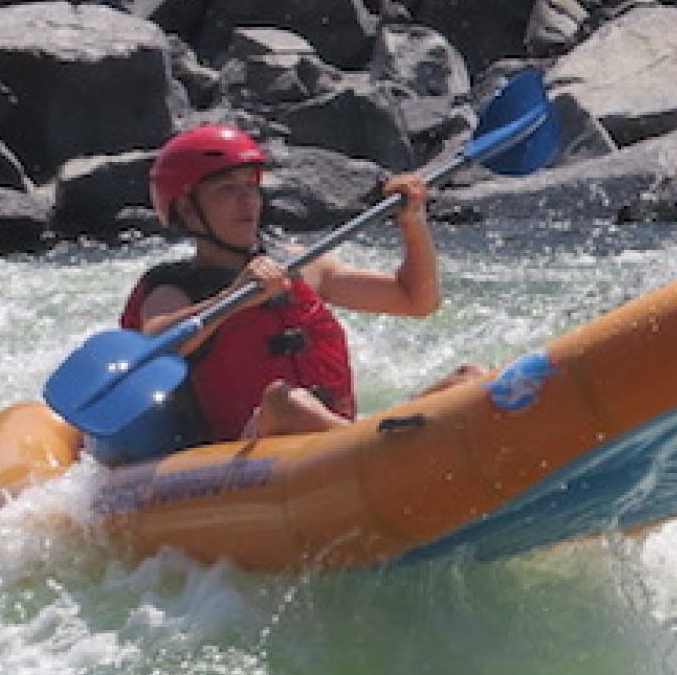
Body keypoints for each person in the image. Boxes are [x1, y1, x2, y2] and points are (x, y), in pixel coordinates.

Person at [124, 124, 467, 443]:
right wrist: (236, 296)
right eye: (228, 190)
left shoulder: (300, 264)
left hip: (333, 444)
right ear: (187, 209)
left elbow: (416, 300)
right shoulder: (171, 288)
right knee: (283, 402)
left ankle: (369, 446)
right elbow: (154, 347)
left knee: (467, 378)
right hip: (244, 455)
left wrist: (412, 222)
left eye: (250, 187)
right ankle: (372, 447)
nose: (247, 202)